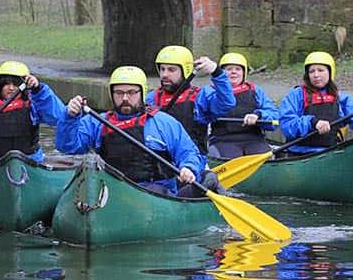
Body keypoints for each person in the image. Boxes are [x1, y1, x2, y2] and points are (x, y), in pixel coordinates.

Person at [56, 66, 211, 197]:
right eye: (119, 92)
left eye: (131, 92)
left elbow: (188, 152)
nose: (124, 98)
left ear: (142, 93)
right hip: (112, 189)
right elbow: (67, 147)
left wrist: (188, 168)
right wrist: (70, 117)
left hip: (155, 191)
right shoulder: (96, 122)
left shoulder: (163, 122)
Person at [278, 51, 353, 155]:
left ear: (330, 72)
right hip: (299, 152)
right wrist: (312, 122)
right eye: (312, 71)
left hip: (331, 151)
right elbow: (287, 125)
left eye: (321, 70)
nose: (316, 75)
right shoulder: (295, 95)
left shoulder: (341, 98)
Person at [145, 46, 235, 158]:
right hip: (160, 159)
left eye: (171, 70)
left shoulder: (200, 96)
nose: (164, 75)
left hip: (193, 159)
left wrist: (217, 72)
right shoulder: (151, 98)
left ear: (185, 71)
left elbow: (227, 103)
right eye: (162, 69)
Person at [207, 52, 280, 158]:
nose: (233, 72)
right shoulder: (211, 92)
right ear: (221, 72)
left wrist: (258, 115)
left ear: (244, 72)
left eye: (238, 69)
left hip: (254, 139)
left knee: (265, 158)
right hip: (222, 140)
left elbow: (274, 114)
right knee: (231, 159)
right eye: (229, 69)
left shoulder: (255, 91)